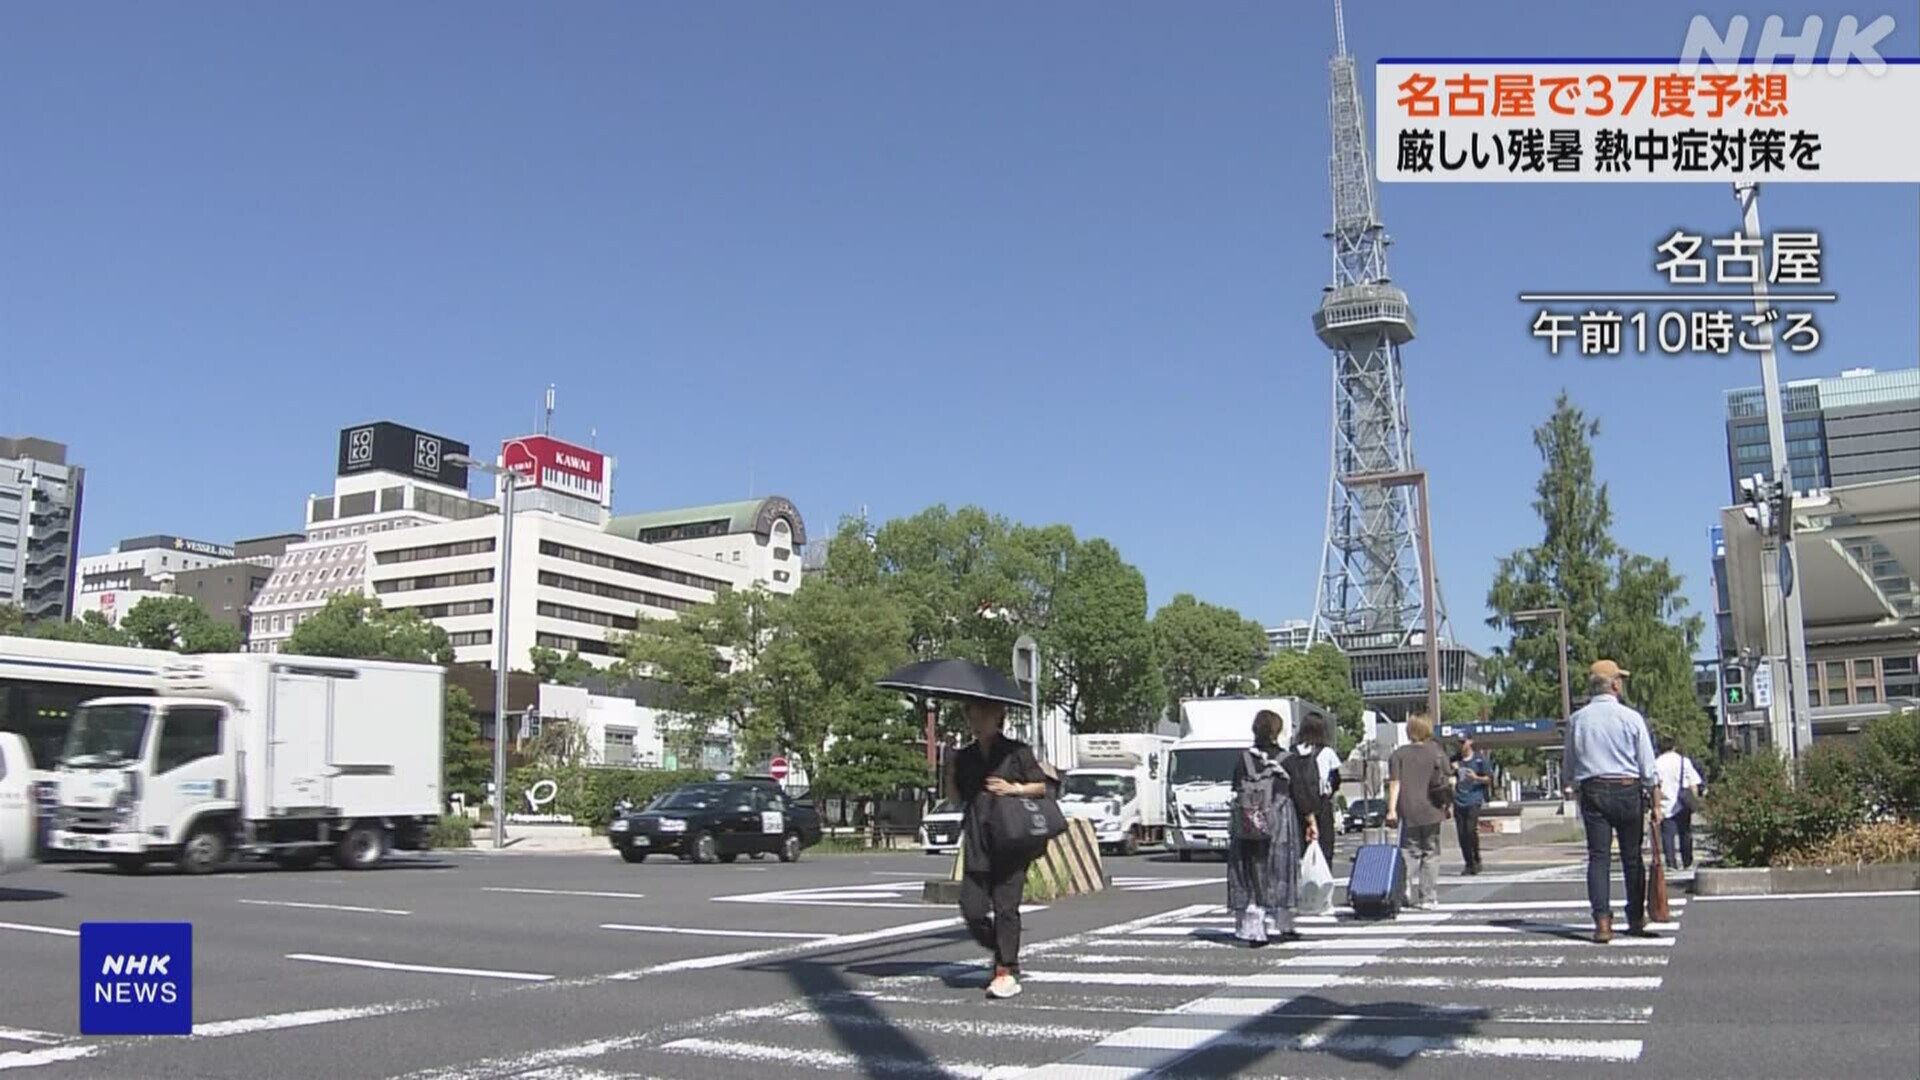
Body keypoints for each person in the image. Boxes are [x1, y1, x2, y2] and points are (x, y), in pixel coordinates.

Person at [948, 697, 1050, 1000]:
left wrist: (1014, 788)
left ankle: (1005, 969)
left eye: (981, 717)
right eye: (972, 717)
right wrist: (949, 769)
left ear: (997, 718)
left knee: (1006, 908)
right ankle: (1003, 950)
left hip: (1011, 839)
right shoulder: (964, 757)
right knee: (972, 908)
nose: (976, 724)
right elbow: (956, 799)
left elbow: (1042, 786)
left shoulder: (1016, 752)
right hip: (978, 838)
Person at [1562, 659, 1661, 944]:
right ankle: (1635, 917)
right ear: (1615, 684)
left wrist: (1571, 783)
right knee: (1632, 857)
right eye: (1621, 680)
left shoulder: (1578, 720)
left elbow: (1569, 764)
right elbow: (1648, 766)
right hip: (1628, 789)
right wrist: (1655, 803)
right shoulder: (1631, 718)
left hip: (1593, 790)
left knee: (1599, 858)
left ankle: (1602, 921)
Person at [1227, 709, 1320, 946]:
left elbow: (1236, 787)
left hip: (1249, 821)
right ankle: (1284, 923)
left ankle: (1254, 928)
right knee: (1281, 872)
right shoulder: (1287, 759)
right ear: (1277, 731)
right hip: (1279, 819)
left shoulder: (1244, 758)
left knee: (1252, 873)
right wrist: (1310, 821)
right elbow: (1300, 792)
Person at [1385, 712, 1449, 910]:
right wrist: (1448, 806)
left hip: (1409, 809)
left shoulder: (1399, 755)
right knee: (1431, 853)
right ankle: (1428, 897)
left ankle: (1402, 892)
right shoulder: (1437, 752)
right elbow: (1447, 780)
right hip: (1432, 809)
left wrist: (1392, 810)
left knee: (1408, 853)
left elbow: (1395, 783)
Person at [1291, 711, 1343, 870]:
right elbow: (1336, 780)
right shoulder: (1327, 752)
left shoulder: (1292, 751)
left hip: (1298, 806)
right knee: (1325, 848)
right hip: (1322, 805)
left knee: (1300, 848)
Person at [1655, 734, 1702, 871]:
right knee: (1685, 833)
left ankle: (1671, 863)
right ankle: (1687, 861)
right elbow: (1694, 783)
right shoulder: (1683, 761)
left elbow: (1655, 785)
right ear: (1674, 747)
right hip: (1682, 803)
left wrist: (1655, 804)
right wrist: (1695, 801)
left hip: (1665, 804)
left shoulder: (1657, 763)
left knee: (1667, 835)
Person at [1450, 737, 1493, 875]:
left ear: (1471, 742)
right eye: (1459, 743)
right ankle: (1469, 863)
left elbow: (1489, 779)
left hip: (1474, 799)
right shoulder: (1454, 760)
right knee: (1461, 833)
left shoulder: (1480, 759)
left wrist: (1476, 778)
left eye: (1464, 742)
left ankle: (1476, 859)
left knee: (1470, 830)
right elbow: (1446, 775)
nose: (1461, 745)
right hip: (1458, 800)